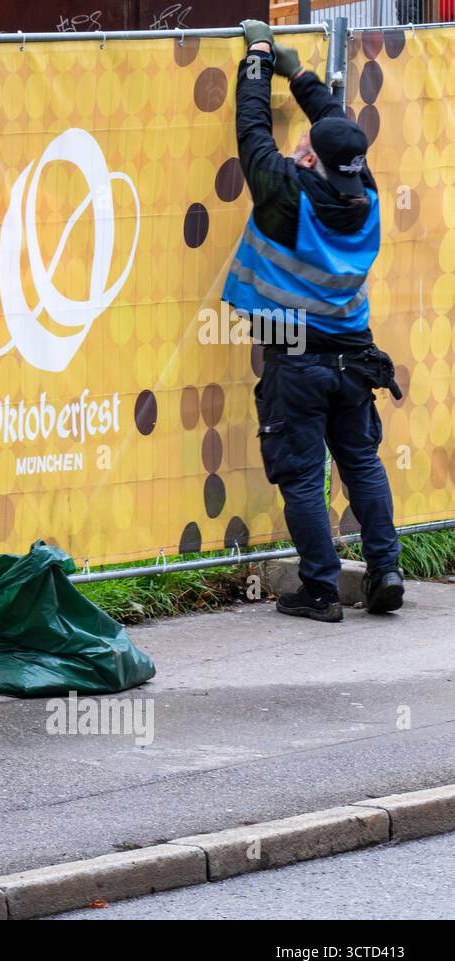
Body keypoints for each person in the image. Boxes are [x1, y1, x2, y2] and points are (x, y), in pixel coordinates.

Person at [224, 20, 405, 623]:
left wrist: (257, 58)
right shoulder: (367, 193)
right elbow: (336, 128)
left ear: (311, 161)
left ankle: (322, 591)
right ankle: (386, 571)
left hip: (295, 355)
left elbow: (250, 130)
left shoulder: (285, 194)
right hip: (354, 355)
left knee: (301, 475)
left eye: (306, 148)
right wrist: (300, 74)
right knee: (361, 462)